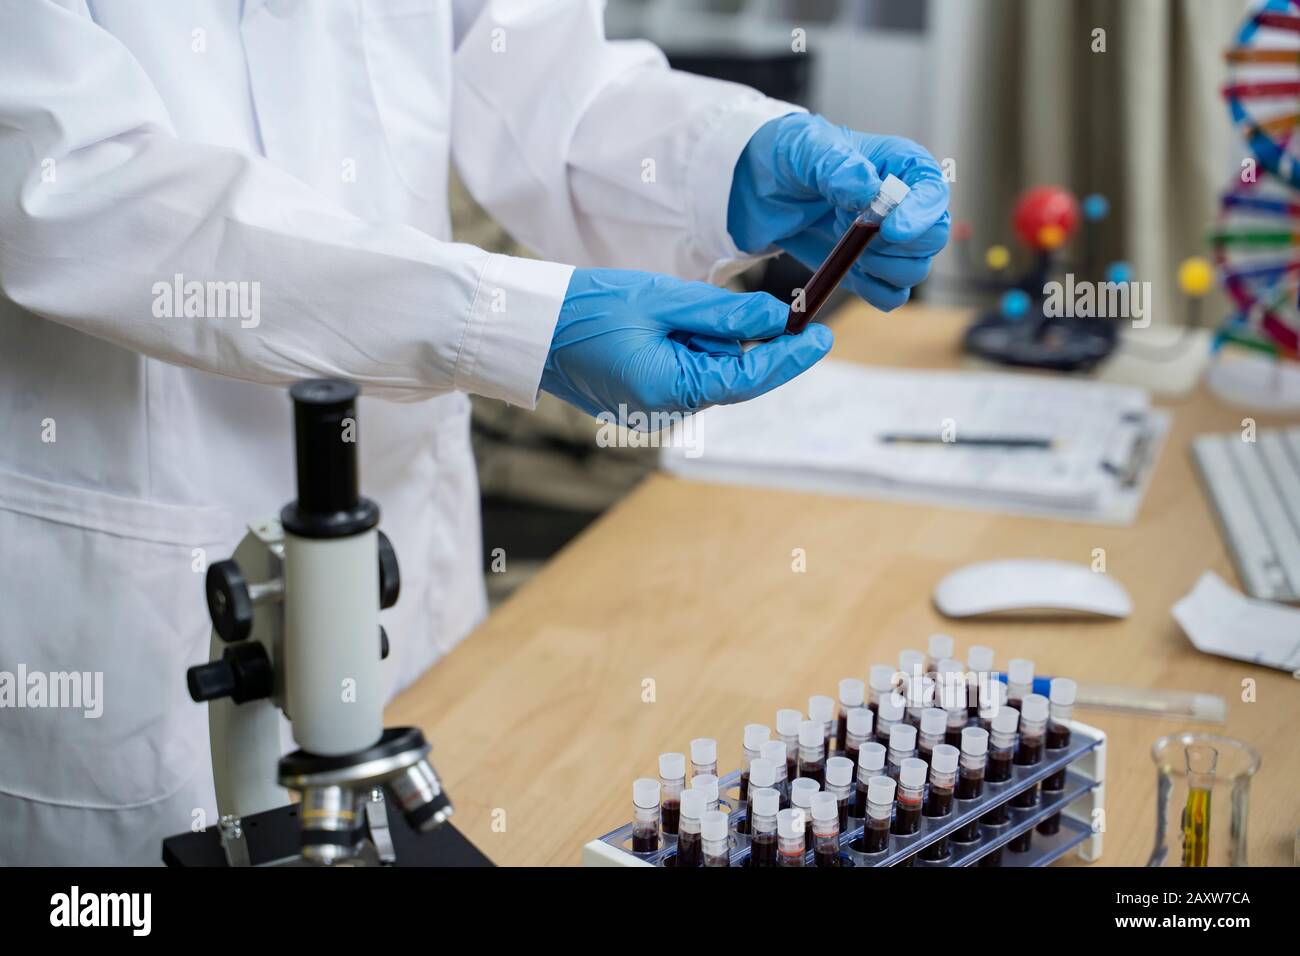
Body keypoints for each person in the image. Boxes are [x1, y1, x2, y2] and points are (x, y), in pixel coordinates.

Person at [0, 0, 948, 865]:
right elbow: (71, 185)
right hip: (137, 544)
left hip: (405, 523)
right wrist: (501, 319)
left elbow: (536, 68)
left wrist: (731, 160)